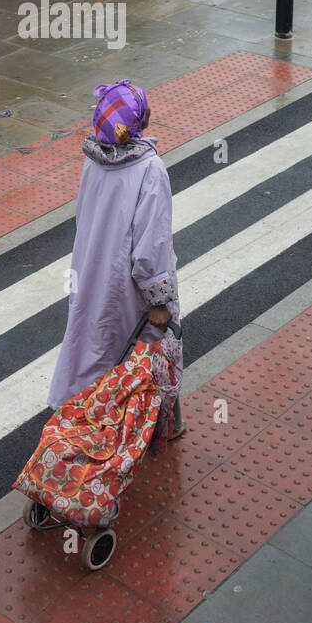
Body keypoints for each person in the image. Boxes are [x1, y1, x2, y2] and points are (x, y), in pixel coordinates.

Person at [48, 78, 184, 441]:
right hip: (127, 284)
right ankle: (150, 425)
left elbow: (82, 214)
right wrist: (158, 298)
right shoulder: (150, 169)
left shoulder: (92, 161)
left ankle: (82, 417)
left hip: (91, 269)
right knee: (144, 350)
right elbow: (151, 241)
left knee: (92, 342)